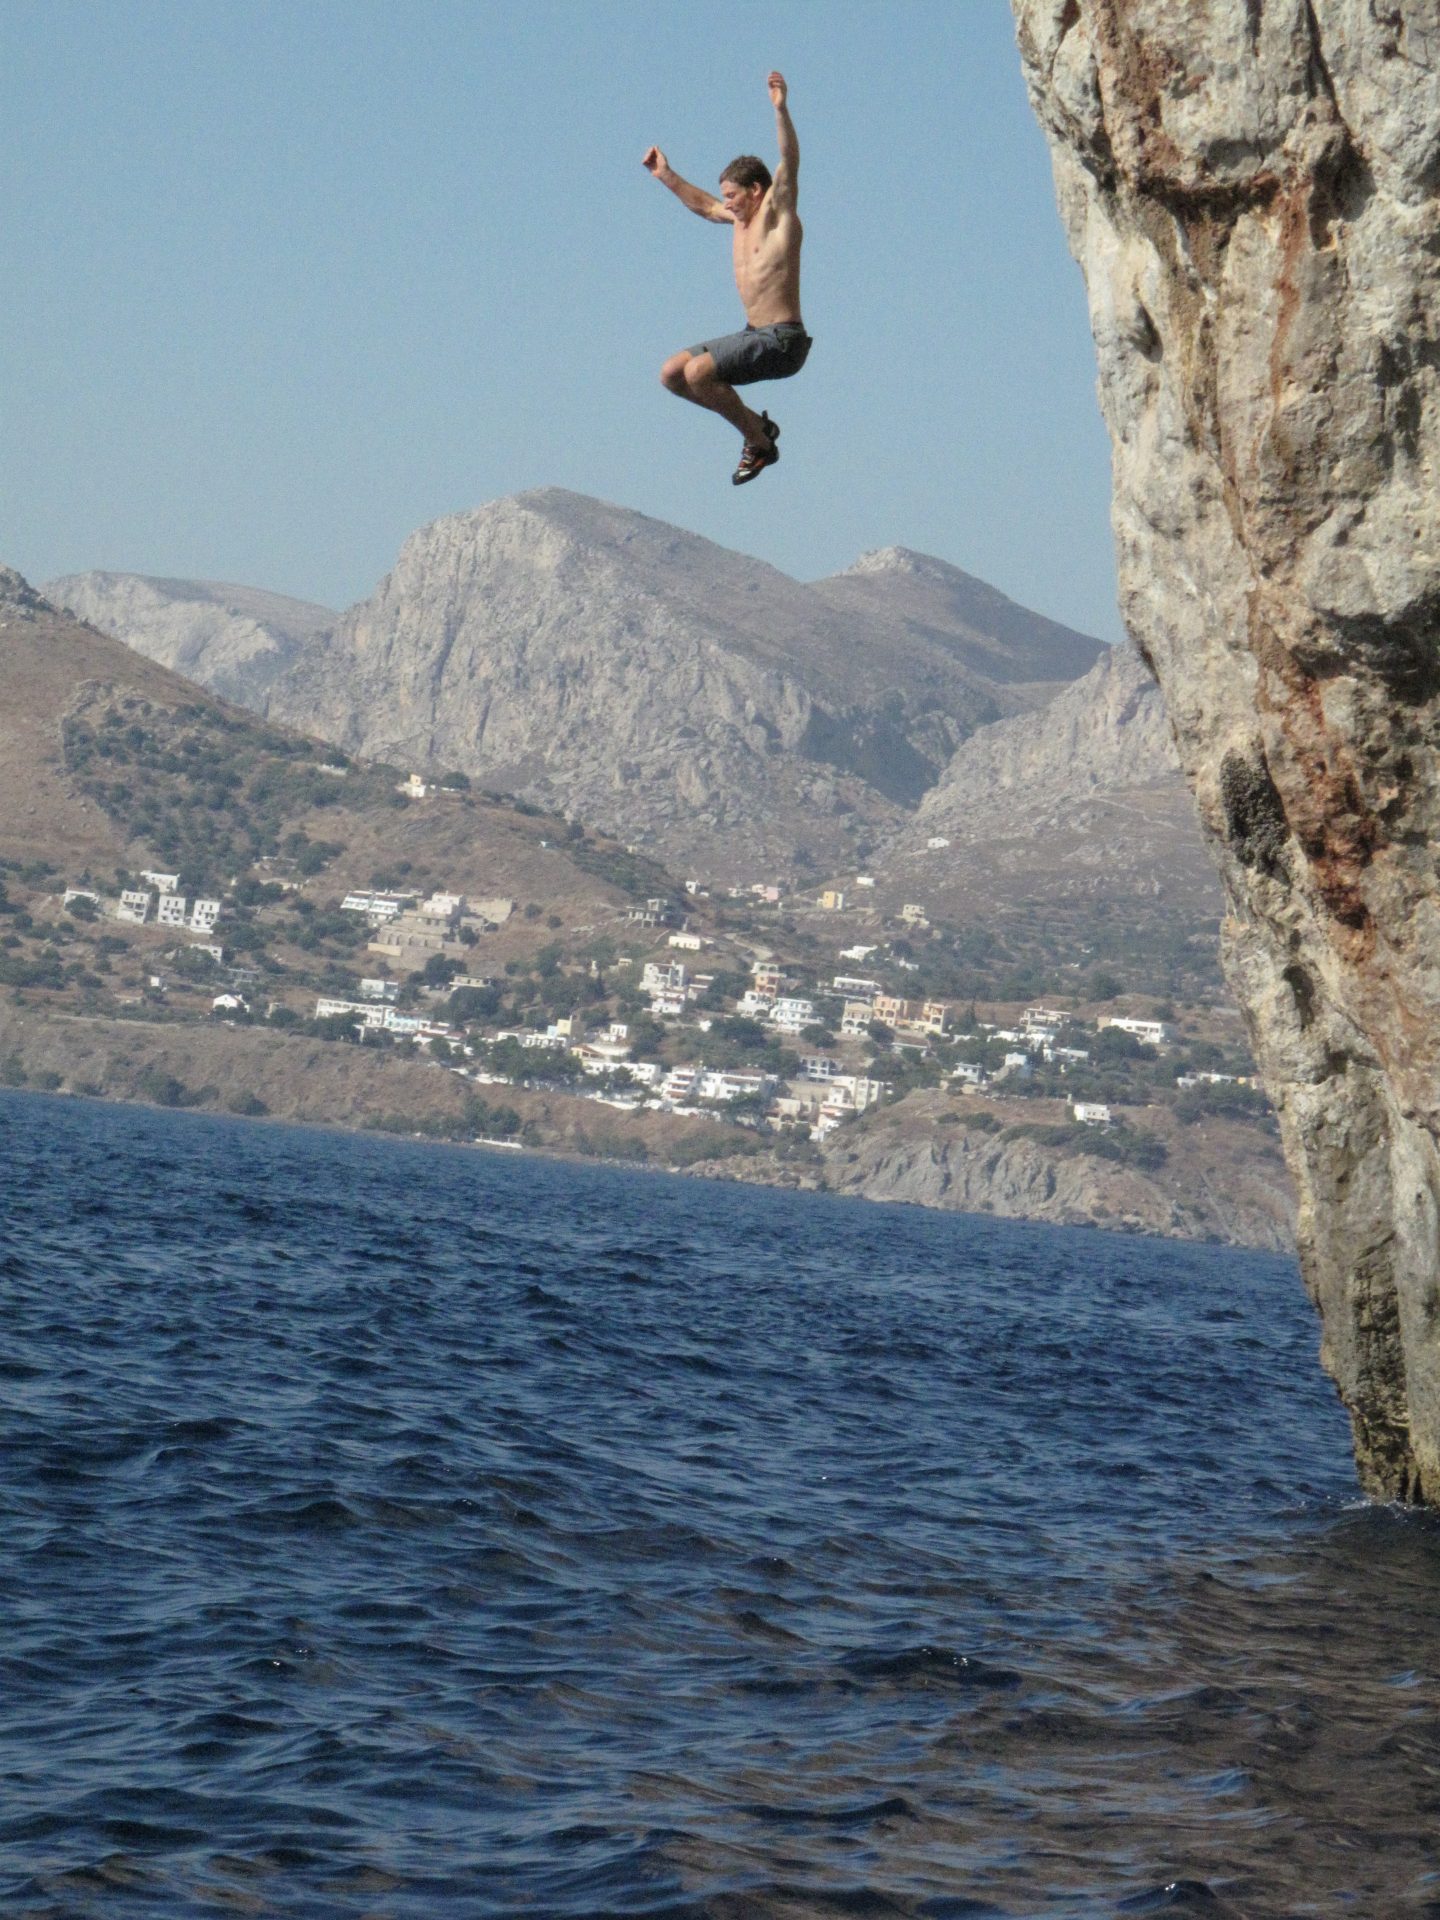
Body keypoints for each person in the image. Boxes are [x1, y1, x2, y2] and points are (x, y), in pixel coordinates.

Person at [644, 71, 810, 486]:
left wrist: (780, 110)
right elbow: (702, 205)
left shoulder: (777, 216)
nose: (728, 204)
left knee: (700, 373)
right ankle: (758, 427)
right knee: (672, 373)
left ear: (756, 190)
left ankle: (759, 443)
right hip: (752, 333)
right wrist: (666, 175)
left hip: (781, 340)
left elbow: (789, 162)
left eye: (733, 196)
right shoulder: (737, 220)